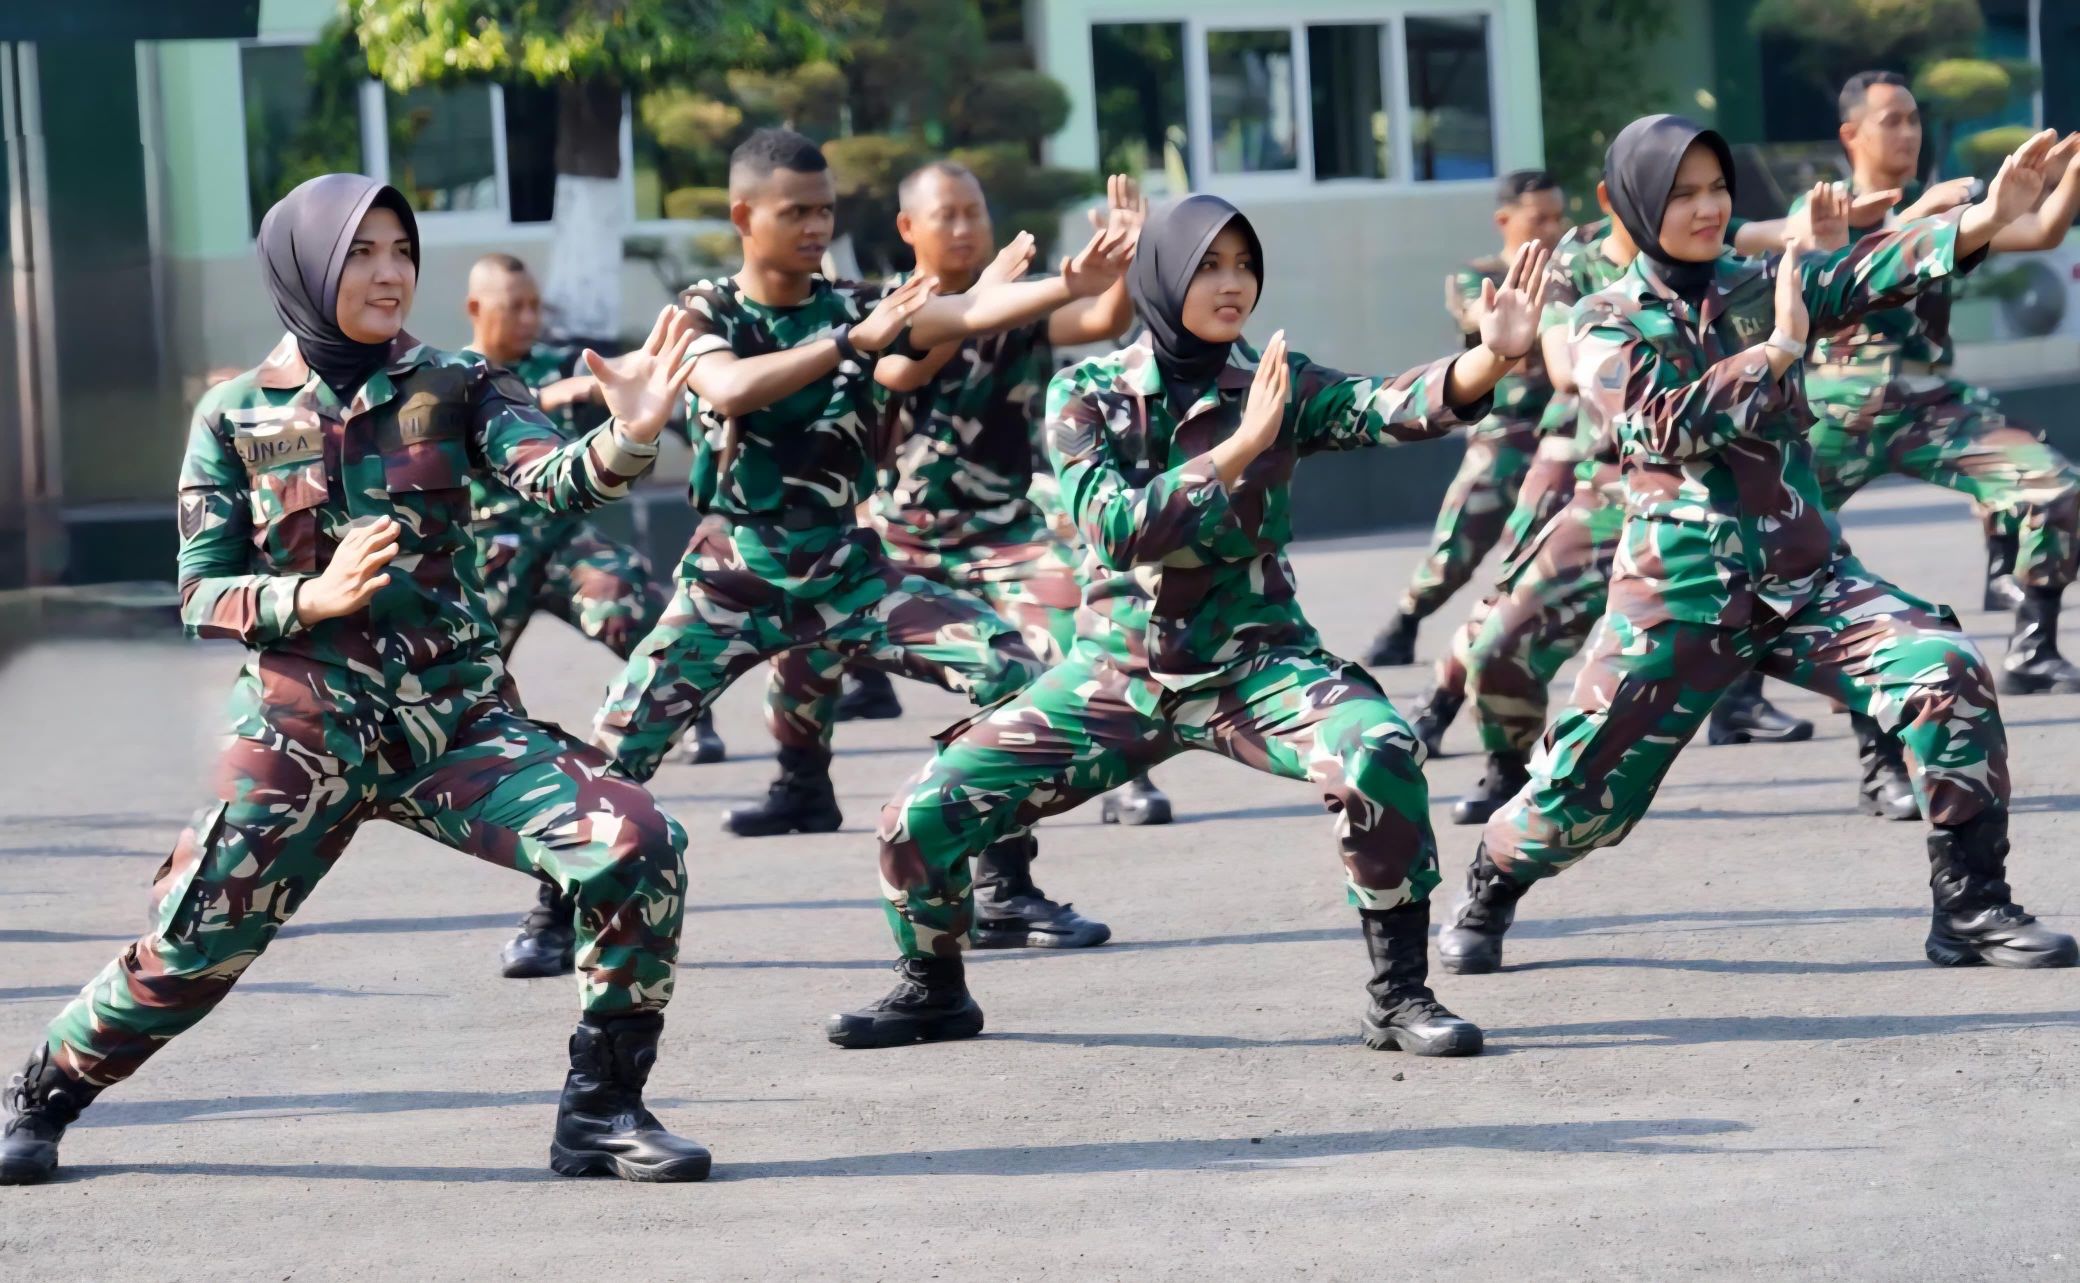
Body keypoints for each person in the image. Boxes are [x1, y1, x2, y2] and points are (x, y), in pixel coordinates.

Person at [1, 175, 711, 1186]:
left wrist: (629, 435)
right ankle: (46, 1089)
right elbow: (201, 593)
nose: (389, 273)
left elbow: (550, 475)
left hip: (454, 726)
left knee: (638, 843)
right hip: (301, 733)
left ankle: (601, 1108)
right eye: (363, 252)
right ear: (309, 264)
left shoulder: (458, 384)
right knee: (189, 950)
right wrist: (312, 597)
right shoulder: (237, 413)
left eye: (401, 251)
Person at [827, 194, 1548, 1055]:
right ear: (1164, 276)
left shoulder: (1274, 379)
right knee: (920, 813)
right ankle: (934, 988)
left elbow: (1387, 405)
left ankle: (1399, 994)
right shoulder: (1086, 393)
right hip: (1116, 675)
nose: (1231, 283)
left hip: (1255, 666)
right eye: (1208, 265)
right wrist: (1240, 447)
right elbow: (1120, 528)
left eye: (1245, 265)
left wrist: (1487, 362)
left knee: (1379, 748)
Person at [1438, 117, 2077, 977]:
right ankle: (1493, 881)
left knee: (1944, 668)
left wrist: (1984, 216)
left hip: (1804, 578)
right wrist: (1776, 351)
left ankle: (1970, 904)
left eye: (1717, 188)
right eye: (1682, 194)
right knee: (1578, 796)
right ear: (1630, 203)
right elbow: (1659, 425)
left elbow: (1867, 267)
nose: (1707, 209)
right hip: (1681, 594)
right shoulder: (1603, 317)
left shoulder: (1761, 280)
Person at [587, 129, 1132, 816]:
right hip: (736, 576)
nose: (817, 226)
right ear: (743, 217)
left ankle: (1000, 877)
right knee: (615, 741)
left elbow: (953, 313)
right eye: (796, 212)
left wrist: (1065, 285)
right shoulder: (706, 308)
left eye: (824, 210)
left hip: (846, 569)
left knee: (1009, 667)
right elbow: (728, 389)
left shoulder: (854, 302)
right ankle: (562, 905)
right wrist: (850, 342)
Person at [461, 252, 728, 980]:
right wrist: (558, 394)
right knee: (458, 675)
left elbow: (632, 394)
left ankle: (686, 708)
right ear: (475, 310)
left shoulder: (557, 356)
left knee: (639, 608)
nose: (526, 317)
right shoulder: (455, 377)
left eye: (531, 303)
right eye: (510, 305)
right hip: (490, 551)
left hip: (560, 538)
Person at [1801, 72, 2080, 700]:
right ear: (1851, 134)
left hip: (1928, 402)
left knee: (2056, 487)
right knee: (1766, 534)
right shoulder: (1826, 207)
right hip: (1836, 408)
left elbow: (2037, 232)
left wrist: (2071, 177)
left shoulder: (1945, 202)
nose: (1907, 132)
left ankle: (2034, 648)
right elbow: (1829, 263)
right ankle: (1737, 695)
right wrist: (1921, 215)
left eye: (1914, 119)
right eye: (1890, 120)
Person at [1366, 171, 1566, 668]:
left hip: (1567, 433)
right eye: (1539, 218)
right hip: (1505, 435)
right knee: (1457, 549)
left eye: (1558, 217)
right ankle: (1407, 620)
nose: (1552, 228)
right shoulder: (1479, 275)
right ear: (1505, 220)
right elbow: (1477, 315)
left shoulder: (1573, 272)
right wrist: (1513, 317)